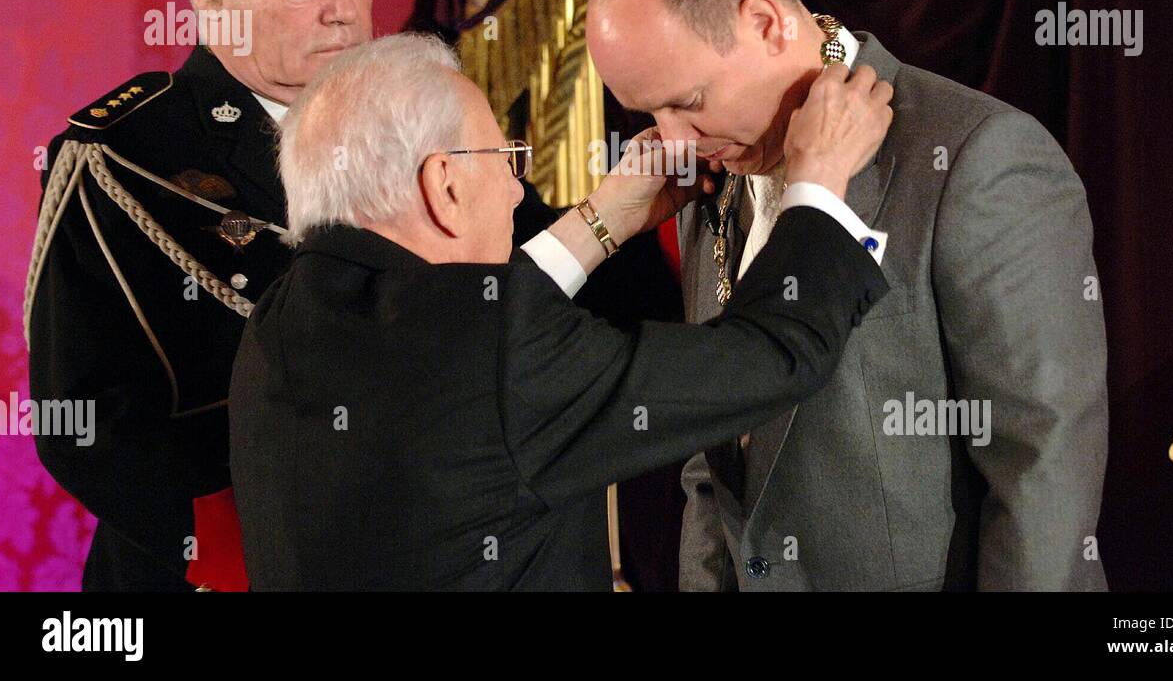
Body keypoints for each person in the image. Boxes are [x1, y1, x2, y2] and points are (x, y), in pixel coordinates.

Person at [227, 31, 892, 590]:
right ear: (445, 183)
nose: (517, 187)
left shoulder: (278, 321)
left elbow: (456, 339)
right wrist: (818, 182)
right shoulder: (495, 354)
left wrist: (600, 222)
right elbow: (770, 356)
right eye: (506, 158)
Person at [585, 0, 1109, 591]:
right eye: (648, 112)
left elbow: (1044, 470)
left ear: (766, 23)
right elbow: (712, 474)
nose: (673, 140)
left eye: (687, 100)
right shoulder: (713, 180)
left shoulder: (978, 159)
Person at [26, 0, 374, 590]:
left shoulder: (418, 127)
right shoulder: (125, 154)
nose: (344, 8)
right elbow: (81, 420)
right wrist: (239, 544)